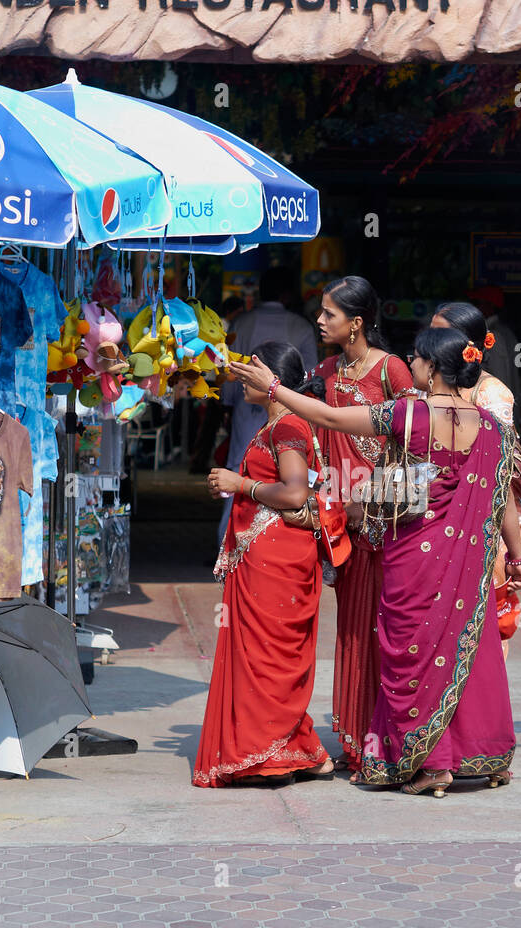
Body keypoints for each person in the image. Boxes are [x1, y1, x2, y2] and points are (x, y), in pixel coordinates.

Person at [230, 327, 521, 798]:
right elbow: (505, 502)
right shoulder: (492, 429)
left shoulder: (410, 414)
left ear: (431, 367)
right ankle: (475, 755)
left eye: (416, 359)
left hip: (414, 556)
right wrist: (516, 555)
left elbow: (327, 415)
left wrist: (275, 390)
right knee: (464, 647)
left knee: (414, 651)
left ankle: (430, 765)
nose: (411, 366)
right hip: (468, 559)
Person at [194, 342, 334, 788]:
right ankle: (295, 751)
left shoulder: (287, 426)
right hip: (267, 556)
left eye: (248, 369)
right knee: (262, 657)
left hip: (277, 560)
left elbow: (294, 494)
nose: (239, 378)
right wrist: (236, 487)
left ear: (269, 377)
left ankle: (269, 755)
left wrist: (242, 484)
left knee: (267, 657)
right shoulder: (274, 426)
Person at [310, 276, 416, 781]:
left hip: (385, 522)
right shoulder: (327, 371)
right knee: (352, 629)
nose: (320, 320)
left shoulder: (392, 369)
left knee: (384, 632)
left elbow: (417, 439)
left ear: (356, 323)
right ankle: (356, 742)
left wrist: (371, 496)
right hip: (342, 524)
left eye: (329, 314)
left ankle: (387, 743)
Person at [432, 301, 521, 660]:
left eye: (440, 333)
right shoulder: (426, 391)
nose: (430, 340)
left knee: (483, 628)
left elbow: (500, 473)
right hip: (438, 524)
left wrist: (515, 552)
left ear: (470, 346)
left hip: (483, 524)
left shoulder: (491, 393)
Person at [216, 267, 319, 546]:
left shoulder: (243, 322)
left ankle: (230, 541)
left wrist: (226, 404)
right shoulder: (301, 325)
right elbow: (309, 373)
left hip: (246, 407)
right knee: (269, 469)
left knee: (240, 466)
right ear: (287, 293)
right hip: (287, 405)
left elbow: (229, 369)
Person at [466, 286, 521, 408]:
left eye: (476, 303)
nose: (473, 308)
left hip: (495, 409)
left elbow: (500, 378)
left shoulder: (493, 336)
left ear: (489, 306)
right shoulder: (505, 332)